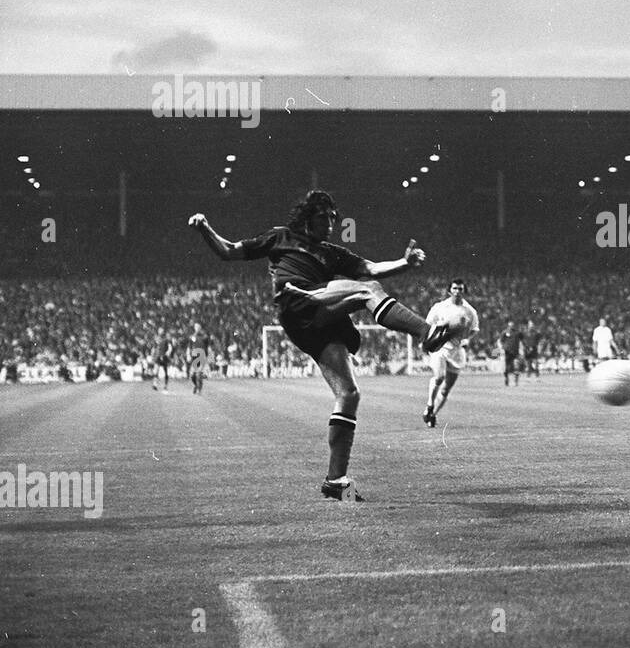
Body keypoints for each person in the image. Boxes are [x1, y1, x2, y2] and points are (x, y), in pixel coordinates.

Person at [188, 190, 452, 502]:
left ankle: (336, 480)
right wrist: (205, 228)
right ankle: (426, 333)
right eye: (323, 217)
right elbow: (229, 251)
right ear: (307, 218)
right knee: (367, 291)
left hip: (320, 321)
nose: (330, 223)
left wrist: (405, 263)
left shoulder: (332, 252)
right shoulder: (280, 237)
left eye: (333, 218)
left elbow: (370, 267)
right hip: (298, 300)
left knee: (349, 394)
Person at [423, 279, 479, 428]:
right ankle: (429, 405)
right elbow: (428, 324)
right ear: (449, 290)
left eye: (460, 289)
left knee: (447, 388)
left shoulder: (470, 311)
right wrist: (436, 334)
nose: (458, 291)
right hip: (440, 347)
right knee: (439, 377)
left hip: (457, 350)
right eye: (455, 288)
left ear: (464, 291)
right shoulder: (440, 307)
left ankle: (432, 414)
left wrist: (466, 339)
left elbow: (474, 330)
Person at [185, 322, 211, 395]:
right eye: (196, 327)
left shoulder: (205, 337)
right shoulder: (192, 337)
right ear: (194, 328)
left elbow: (208, 348)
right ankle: (196, 385)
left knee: (198, 374)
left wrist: (209, 357)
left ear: (200, 328)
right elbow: (189, 347)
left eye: (198, 327)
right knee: (193, 376)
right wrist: (188, 355)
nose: (197, 328)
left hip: (202, 356)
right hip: (194, 357)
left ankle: (199, 390)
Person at [497, 320, 524, 386]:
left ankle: (516, 381)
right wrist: (501, 348)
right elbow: (500, 341)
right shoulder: (505, 332)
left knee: (516, 366)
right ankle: (506, 378)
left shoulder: (518, 333)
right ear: (508, 326)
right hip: (507, 352)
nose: (511, 327)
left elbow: (522, 340)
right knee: (507, 368)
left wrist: (522, 349)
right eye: (510, 325)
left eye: (512, 325)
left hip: (515, 352)